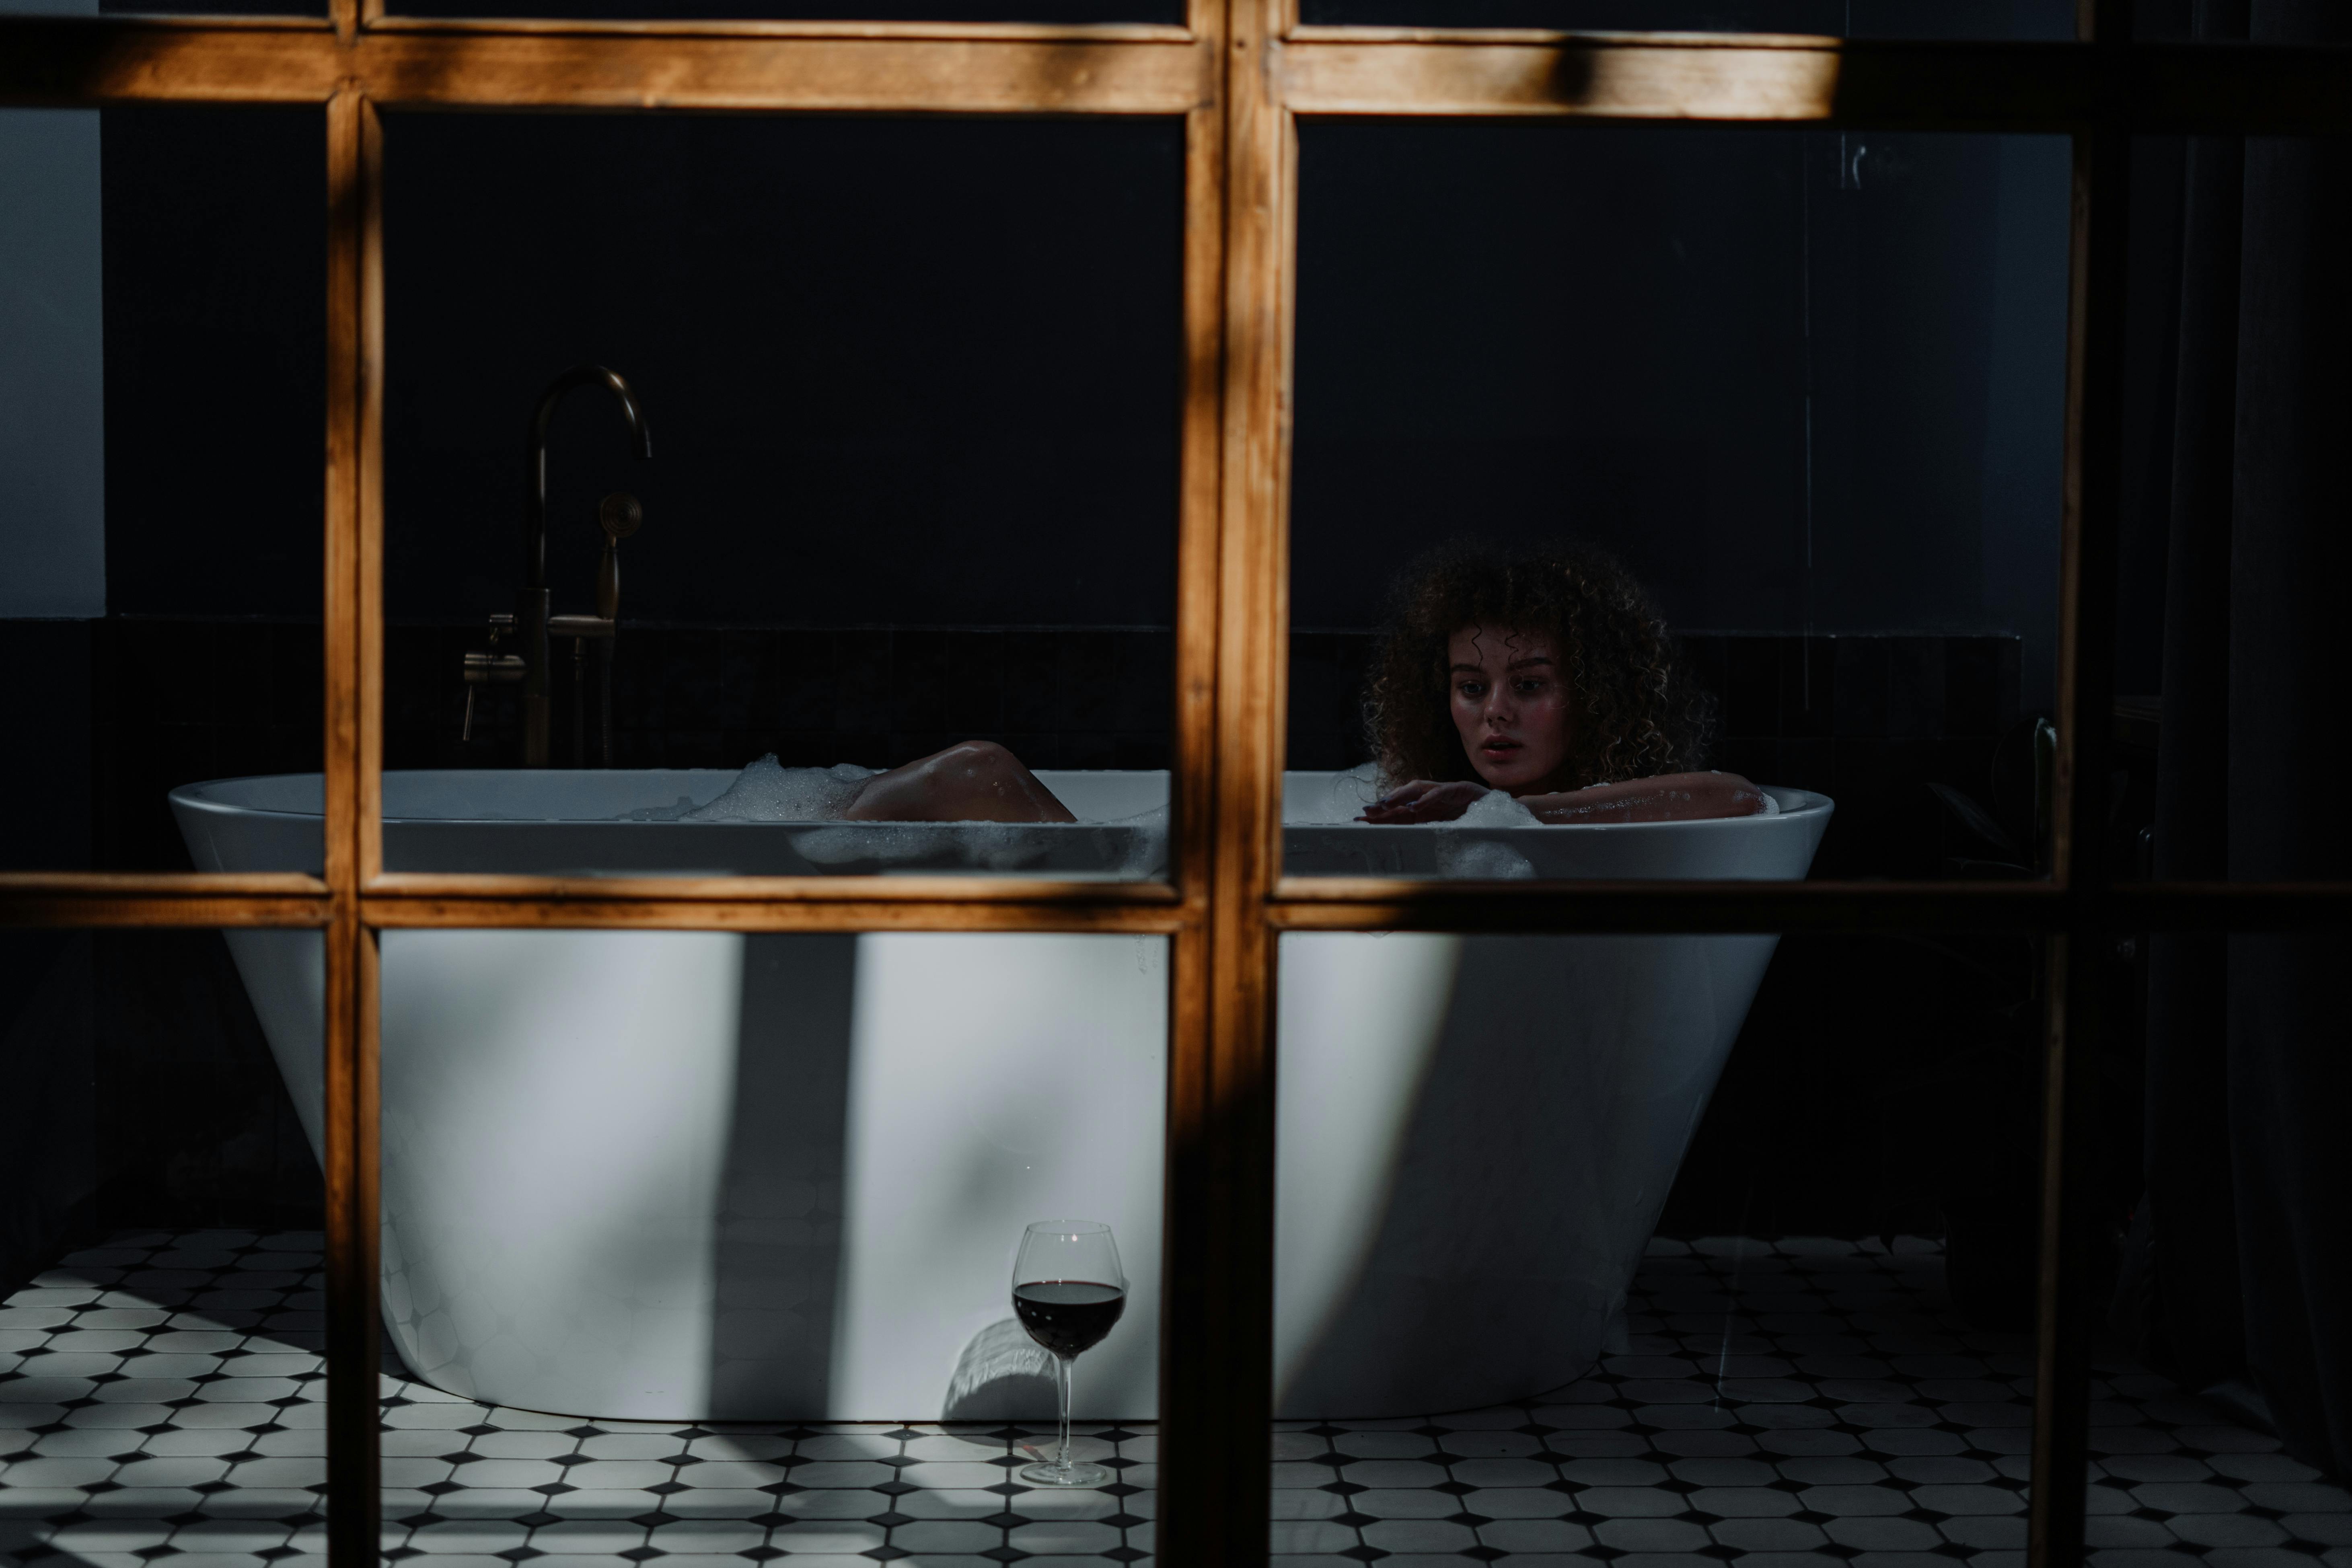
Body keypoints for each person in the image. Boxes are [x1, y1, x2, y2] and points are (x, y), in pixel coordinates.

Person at [1356, 540, 1765, 825]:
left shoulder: (1641, 809)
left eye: (1529, 685)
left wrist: (1510, 812)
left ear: (1591, 696)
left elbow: (1741, 797)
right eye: (1473, 688)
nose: (1496, 710)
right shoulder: (1416, 805)